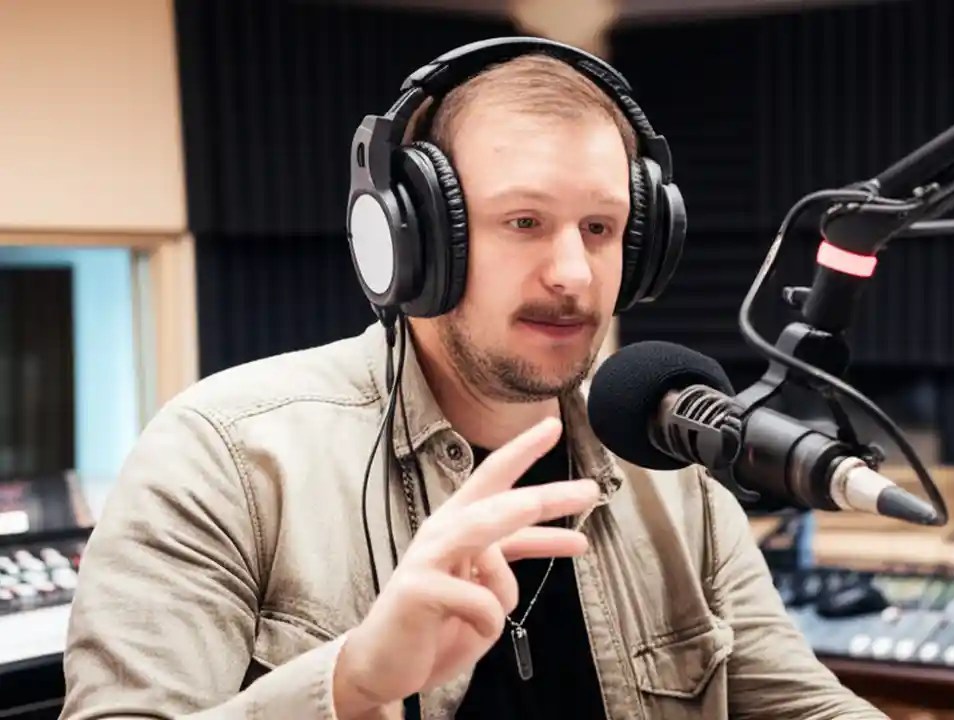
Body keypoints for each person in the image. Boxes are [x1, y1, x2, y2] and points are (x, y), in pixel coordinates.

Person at [60, 39, 887, 720]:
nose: (574, 272)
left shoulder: (671, 468)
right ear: (413, 240)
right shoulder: (225, 457)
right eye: (524, 222)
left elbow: (805, 707)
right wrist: (350, 684)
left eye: (601, 228)